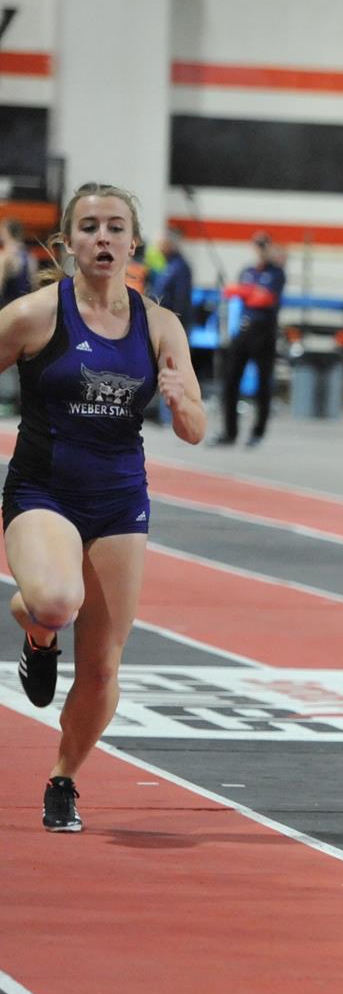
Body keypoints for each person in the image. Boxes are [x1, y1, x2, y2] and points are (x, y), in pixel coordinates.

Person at [0, 183, 206, 832]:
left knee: (101, 665)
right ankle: (37, 626)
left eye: (116, 226)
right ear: (67, 244)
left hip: (119, 500)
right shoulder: (34, 315)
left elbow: (196, 426)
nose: (104, 238)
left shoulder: (160, 325)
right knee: (59, 601)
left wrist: (179, 400)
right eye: (89, 227)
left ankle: (64, 777)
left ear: (134, 243)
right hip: (43, 490)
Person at [214, 230, 285, 447]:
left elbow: (264, 298)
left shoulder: (276, 274)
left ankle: (258, 432)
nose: (261, 251)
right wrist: (244, 292)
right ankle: (229, 432)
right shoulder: (247, 271)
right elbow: (230, 293)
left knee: (263, 385)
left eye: (265, 246)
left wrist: (242, 292)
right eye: (258, 246)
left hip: (265, 333)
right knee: (231, 381)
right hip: (244, 330)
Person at [0, 218, 35, 309]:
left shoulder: (5, 257)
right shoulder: (31, 257)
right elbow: (34, 286)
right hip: (24, 308)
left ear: (6, 232)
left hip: (6, 309)